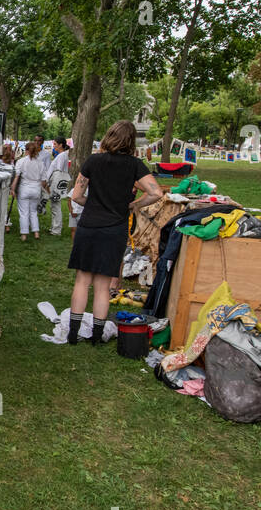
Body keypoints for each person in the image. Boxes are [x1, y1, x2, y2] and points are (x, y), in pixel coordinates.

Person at [66, 120, 163, 345]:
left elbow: (77, 196)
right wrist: (135, 205)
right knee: (102, 284)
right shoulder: (134, 165)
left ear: (109, 135)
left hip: (89, 226)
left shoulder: (93, 160)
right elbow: (156, 192)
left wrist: (93, 203)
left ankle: (73, 334)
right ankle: (97, 337)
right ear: (131, 141)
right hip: (114, 229)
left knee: (82, 280)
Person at [9, 135, 49, 240]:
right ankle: (36, 232)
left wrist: (12, 189)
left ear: (26, 150)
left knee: (24, 212)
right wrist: (41, 190)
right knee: (33, 212)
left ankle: (24, 234)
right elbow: (44, 180)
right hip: (36, 189)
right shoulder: (40, 163)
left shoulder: (21, 161)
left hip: (24, 188)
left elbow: (17, 177)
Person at [43, 137, 70, 236]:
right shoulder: (61, 155)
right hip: (55, 182)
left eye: (55, 144)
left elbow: (58, 171)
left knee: (55, 206)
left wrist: (51, 186)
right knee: (54, 206)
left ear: (60, 145)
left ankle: (56, 230)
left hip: (56, 183)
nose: (53, 146)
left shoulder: (62, 155)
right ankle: (54, 228)